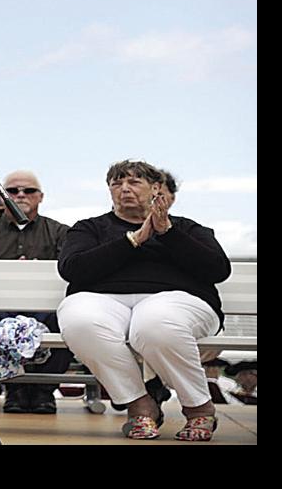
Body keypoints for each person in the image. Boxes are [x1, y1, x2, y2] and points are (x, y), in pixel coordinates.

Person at [56, 160, 232, 441]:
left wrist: (167, 233)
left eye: (134, 182)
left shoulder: (186, 228)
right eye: (117, 183)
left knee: (153, 322)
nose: (124, 188)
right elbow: (73, 269)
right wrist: (133, 240)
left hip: (178, 300)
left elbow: (217, 269)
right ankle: (140, 405)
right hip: (103, 300)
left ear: (156, 188)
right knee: (78, 321)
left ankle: (199, 407)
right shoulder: (88, 229)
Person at [0, 169, 74, 414]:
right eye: (12, 190)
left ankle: (44, 391)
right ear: (2, 196)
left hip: (46, 307)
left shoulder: (61, 232)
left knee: (69, 321)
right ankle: (15, 389)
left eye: (28, 190)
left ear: (40, 197)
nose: (21, 195)